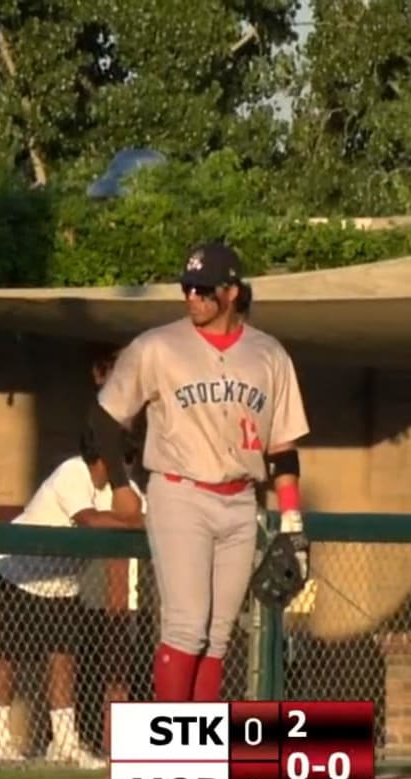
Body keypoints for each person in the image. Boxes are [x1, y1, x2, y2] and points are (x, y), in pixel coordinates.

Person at [90, 242, 309, 702]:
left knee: (218, 637)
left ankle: (199, 739)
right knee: (187, 627)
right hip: (180, 493)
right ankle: (173, 739)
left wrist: (292, 520)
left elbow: (283, 448)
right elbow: (105, 418)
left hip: (240, 500)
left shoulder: (269, 354)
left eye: (204, 289)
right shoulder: (157, 346)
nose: (192, 297)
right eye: (188, 287)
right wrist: (120, 486)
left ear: (231, 292)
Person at [0, 430, 142, 769]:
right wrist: (131, 522)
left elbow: (145, 516)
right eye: (123, 461)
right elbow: (90, 520)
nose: (128, 469)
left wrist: (134, 517)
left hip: (62, 583)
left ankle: (65, 743)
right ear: (106, 460)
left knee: (63, 658)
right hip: (15, 570)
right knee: (7, 655)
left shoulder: (122, 489)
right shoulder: (73, 472)